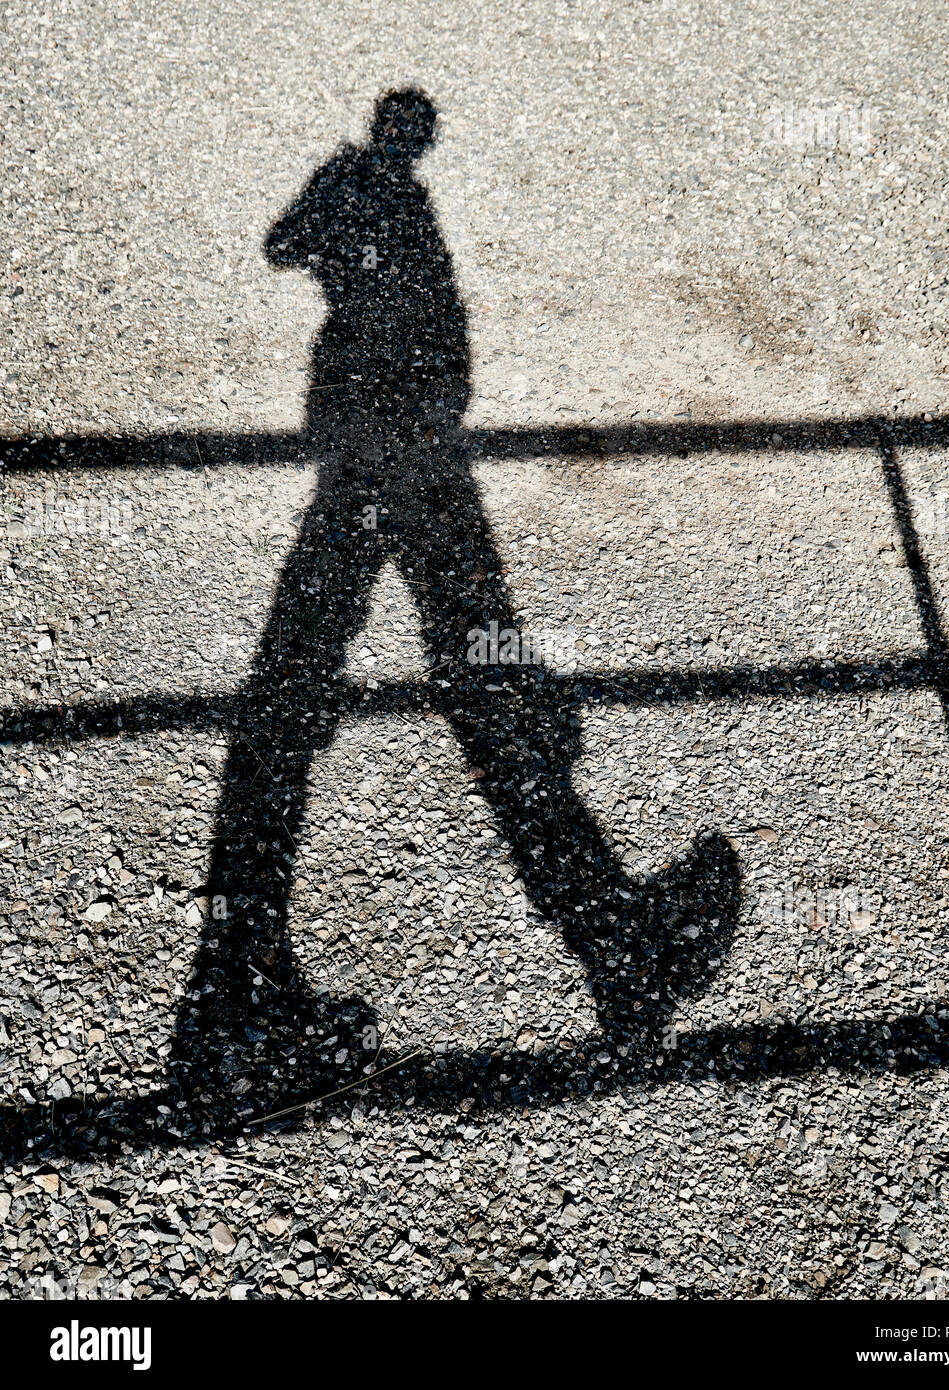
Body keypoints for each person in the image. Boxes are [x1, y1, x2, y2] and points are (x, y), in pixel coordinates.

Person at [171, 90, 739, 1111]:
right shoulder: (353, 183)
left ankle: (240, 996)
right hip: (391, 462)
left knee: (346, 696)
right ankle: (238, 1003)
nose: (409, 146)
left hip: (395, 455)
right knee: (357, 698)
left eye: (414, 136)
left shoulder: (393, 194)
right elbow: (283, 244)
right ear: (389, 131)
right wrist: (354, 257)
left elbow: (328, 265)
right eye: (402, 132)